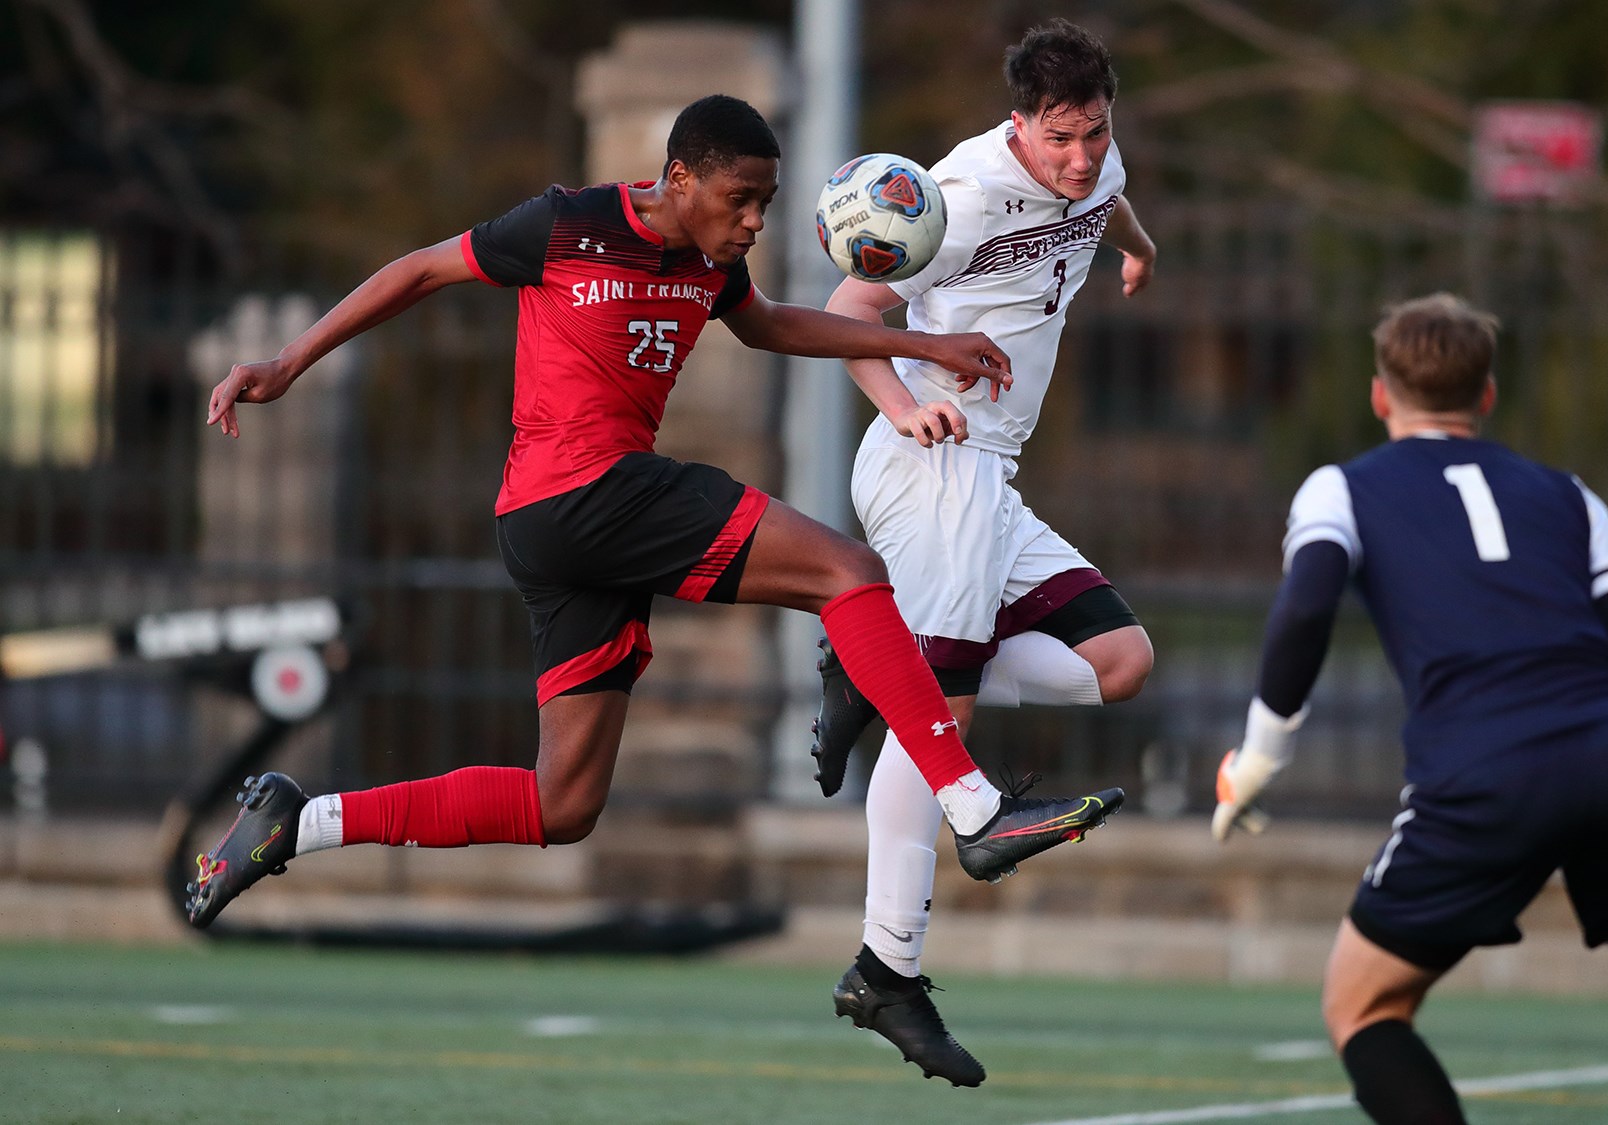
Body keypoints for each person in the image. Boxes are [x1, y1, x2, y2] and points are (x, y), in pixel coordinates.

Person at [184, 95, 1124, 938]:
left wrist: (921, 340)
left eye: (767, 200)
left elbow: (775, 325)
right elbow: (419, 272)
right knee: (850, 573)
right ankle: (972, 806)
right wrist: (286, 363)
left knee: (564, 803)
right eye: (741, 198)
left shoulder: (710, 266)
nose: (755, 220)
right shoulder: (564, 223)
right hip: (584, 490)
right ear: (680, 178)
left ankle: (296, 820)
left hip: (559, 533)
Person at [1211, 294, 1608, 1125]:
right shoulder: (1569, 495)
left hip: (1487, 775)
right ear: (1485, 396)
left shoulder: (1342, 488)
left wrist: (1259, 758)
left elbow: (1305, 610)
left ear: (1380, 396)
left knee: (1363, 1007)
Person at [808, 19, 1158, 1088]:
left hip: (994, 482)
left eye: (1093, 133)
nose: (1079, 158)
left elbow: (1110, 201)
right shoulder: (953, 195)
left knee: (1120, 665)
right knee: (940, 724)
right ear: (1020, 125)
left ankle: (875, 666)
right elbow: (845, 307)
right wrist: (903, 402)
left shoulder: (1099, 166)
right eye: (1059, 139)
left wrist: (1137, 243)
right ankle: (886, 964)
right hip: (936, 462)